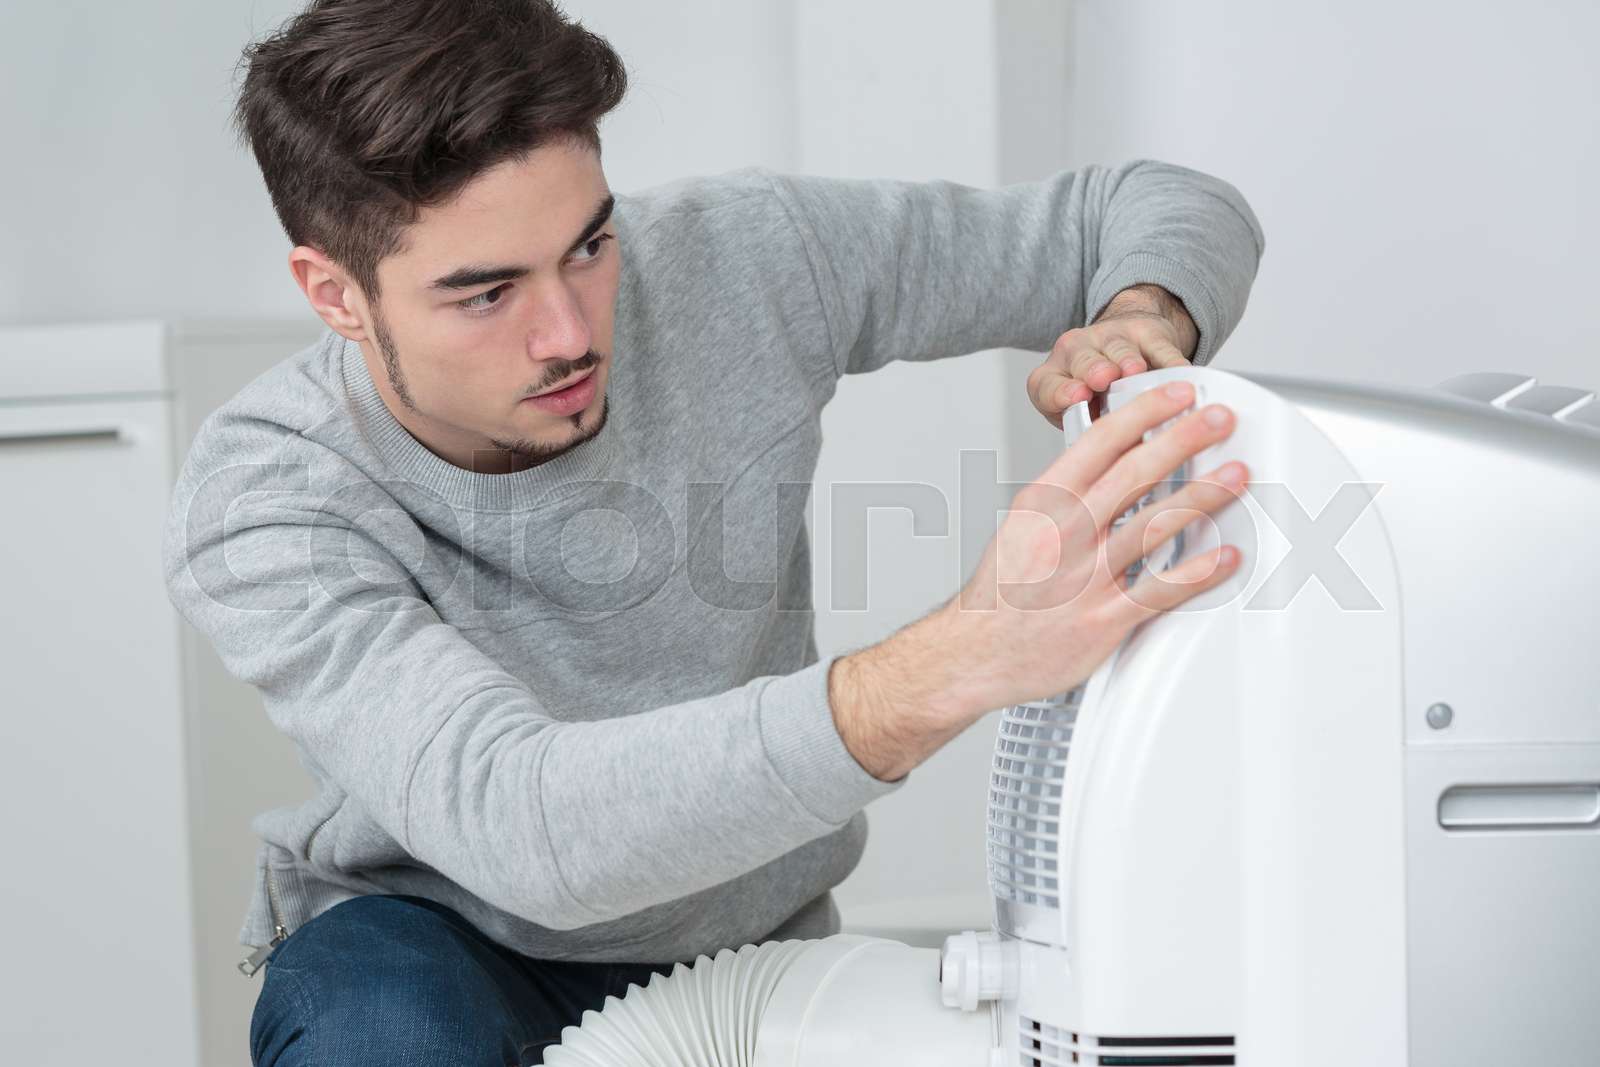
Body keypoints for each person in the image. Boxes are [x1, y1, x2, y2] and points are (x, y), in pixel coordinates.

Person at [161, 0, 1265, 1062]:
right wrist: (961, 656)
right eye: (486, 293)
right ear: (336, 294)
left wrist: (1138, 316)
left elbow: (1158, 205)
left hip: (745, 945)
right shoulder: (269, 493)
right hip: (438, 945)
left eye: (589, 246)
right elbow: (524, 823)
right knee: (387, 1035)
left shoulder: (739, 254)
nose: (568, 332)